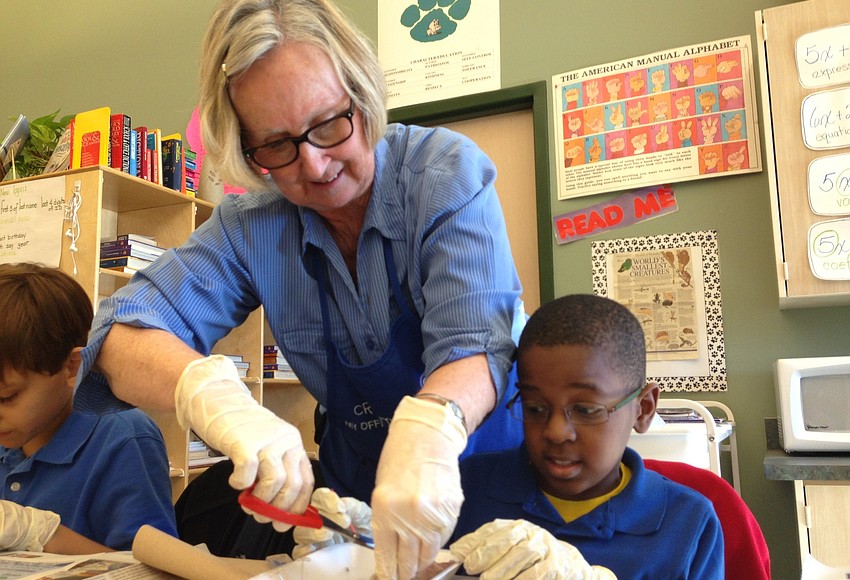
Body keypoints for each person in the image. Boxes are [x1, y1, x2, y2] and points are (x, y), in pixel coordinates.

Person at [73, 0, 525, 577]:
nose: (313, 165)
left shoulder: (443, 175)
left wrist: (430, 435)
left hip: (490, 469)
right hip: (356, 488)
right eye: (277, 146)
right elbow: (119, 331)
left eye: (329, 124)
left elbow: (471, 340)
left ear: (362, 94)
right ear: (247, 147)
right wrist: (213, 399)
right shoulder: (253, 227)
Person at [447, 294, 724, 578]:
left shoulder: (688, 525)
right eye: (535, 408)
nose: (556, 432)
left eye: (586, 409)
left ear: (643, 410)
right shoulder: (466, 488)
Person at [0, 263, 177, 553]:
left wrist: (42, 534)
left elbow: (157, 569)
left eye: (7, 397)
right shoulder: (13, 431)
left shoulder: (125, 440)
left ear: (72, 368)